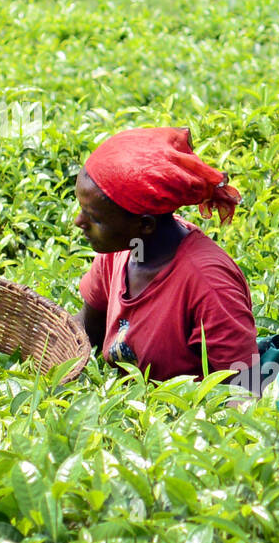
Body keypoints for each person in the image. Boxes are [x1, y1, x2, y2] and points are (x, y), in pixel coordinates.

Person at [74, 126, 262, 395]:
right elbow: (86, 330)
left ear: (145, 225)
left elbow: (246, 390)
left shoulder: (208, 284)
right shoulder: (120, 251)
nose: (78, 222)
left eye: (94, 218)